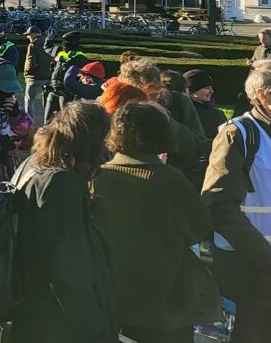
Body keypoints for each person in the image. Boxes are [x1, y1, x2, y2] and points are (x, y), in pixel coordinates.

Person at [91, 101, 217, 343]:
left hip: (109, 301)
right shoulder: (170, 180)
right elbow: (202, 232)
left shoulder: (98, 177)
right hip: (164, 305)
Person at [8, 101, 116, 343]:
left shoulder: (35, 163)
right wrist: (95, 326)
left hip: (32, 308)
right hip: (53, 319)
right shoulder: (61, 183)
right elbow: (67, 269)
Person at [203, 59, 271, 341]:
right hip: (248, 267)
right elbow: (217, 204)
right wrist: (265, 256)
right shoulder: (238, 133)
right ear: (263, 95)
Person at [184, 69, 228, 140]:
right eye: (206, 88)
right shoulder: (186, 114)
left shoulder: (217, 114)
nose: (211, 91)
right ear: (192, 91)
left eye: (211, 87)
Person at [22, 26, 52, 126]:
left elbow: (30, 62)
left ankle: (30, 124)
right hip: (48, 77)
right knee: (48, 102)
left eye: (28, 35)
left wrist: (27, 72)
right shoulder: (49, 44)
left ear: (34, 34)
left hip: (34, 78)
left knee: (29, 100)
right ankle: (48, 123)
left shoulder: (33, 45)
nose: (27, 37)